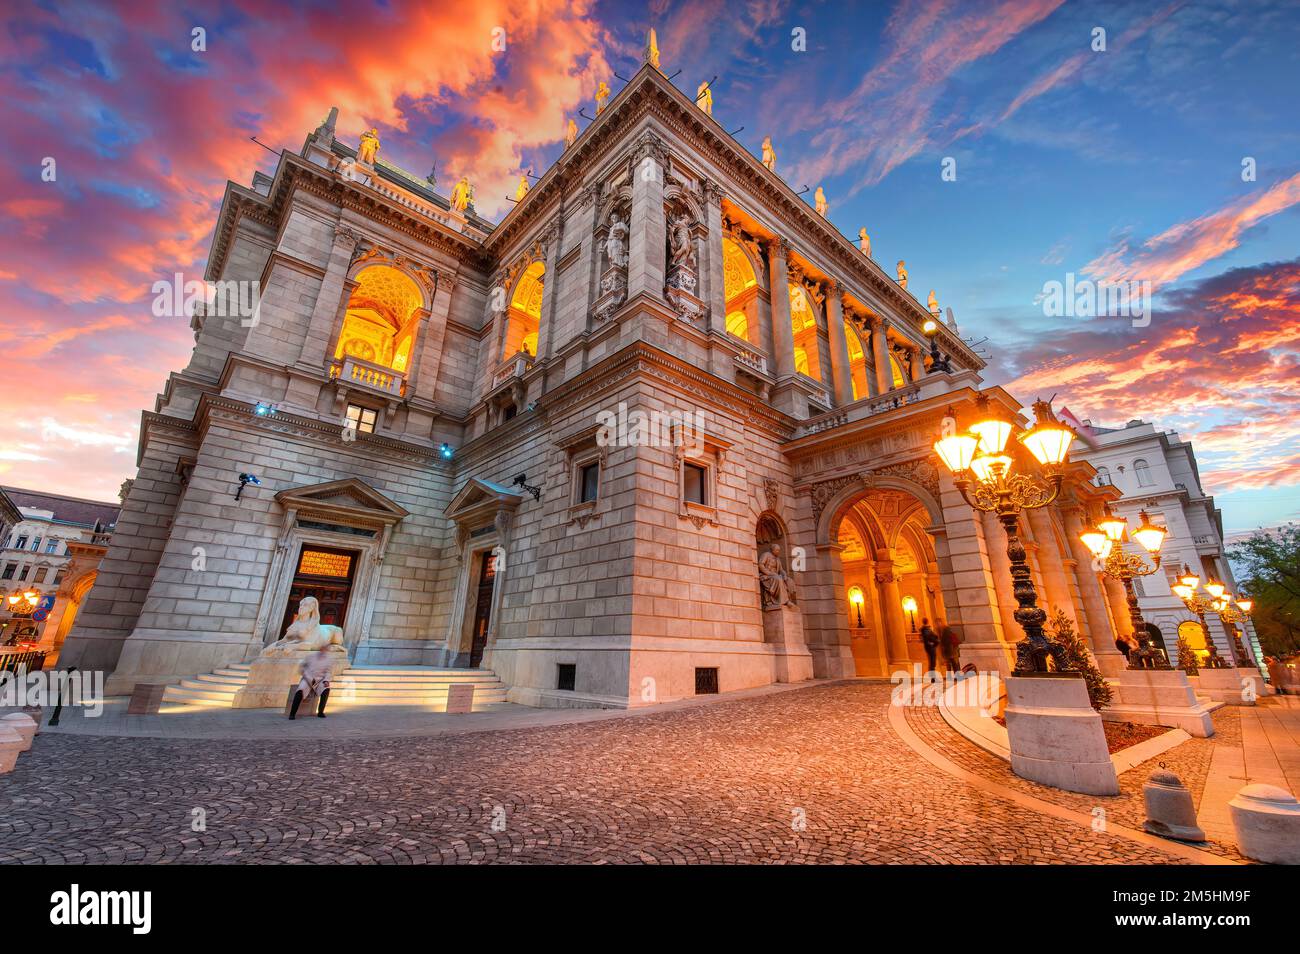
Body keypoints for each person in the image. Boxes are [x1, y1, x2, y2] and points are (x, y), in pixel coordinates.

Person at [289, 647, 334, 719]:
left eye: (325, 649)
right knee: (300, 691)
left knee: (326, 689)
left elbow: (328, 671)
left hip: (320, 680)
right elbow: (302, 668)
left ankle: (320, 712)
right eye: (323, 649)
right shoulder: (310, 656)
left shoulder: (328, 660)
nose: (324, 650)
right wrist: (308, 677)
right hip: (308, 678)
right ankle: (292, 713)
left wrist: (326, 680)